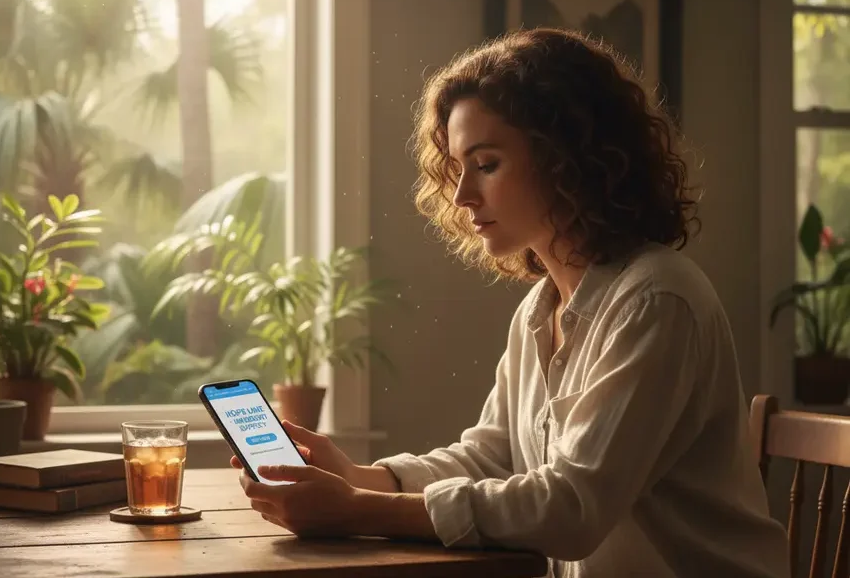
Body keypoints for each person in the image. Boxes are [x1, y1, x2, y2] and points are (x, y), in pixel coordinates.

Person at [231, 28, 791, 578]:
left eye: (488, 163)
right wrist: (361, 477)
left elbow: (572, 507)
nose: (461, 195)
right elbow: (492, 457)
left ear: (568, 157)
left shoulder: (657, 300)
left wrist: (357, 510)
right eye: (458, 167)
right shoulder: (539, 309)